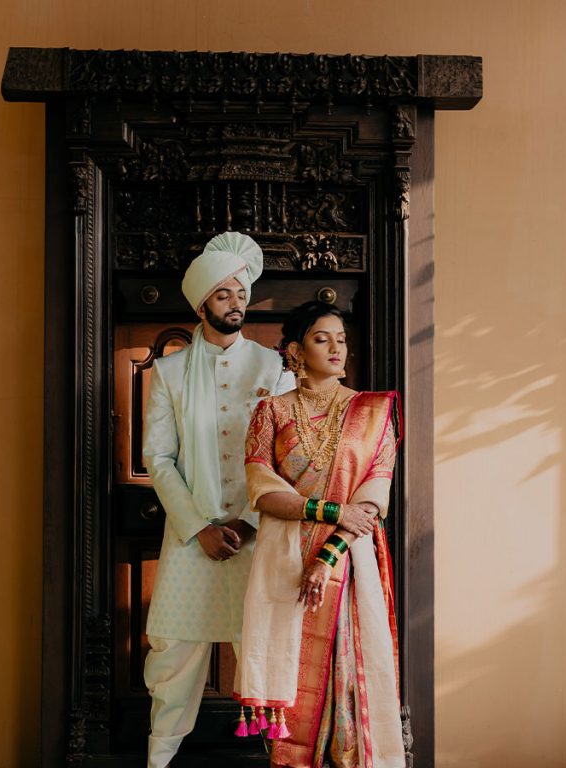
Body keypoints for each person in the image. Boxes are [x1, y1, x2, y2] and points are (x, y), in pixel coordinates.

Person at [142, 231, 295, 768]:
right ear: (202, 301)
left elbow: (286, 457)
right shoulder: (169, 372)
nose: (237, 303)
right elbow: (158, 458)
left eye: (242, 292)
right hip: (191, 536)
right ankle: (158, 760)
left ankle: (281, 758)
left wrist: (252, 519)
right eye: (225, 294)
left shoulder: (274, 370)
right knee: (173, 661)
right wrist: (199, 526)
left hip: (260, 534)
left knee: (265, 654)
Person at [237, 301, 405, 768]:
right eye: (321, 338)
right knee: (287, 680)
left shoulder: (373, 412)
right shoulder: (269, 413)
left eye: (341, 339)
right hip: (284, 560)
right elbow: (262, 491)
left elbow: (372, 500)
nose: (336, 347)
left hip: (347, 564)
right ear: (294, 350)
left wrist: (327, 557)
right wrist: (331, 509)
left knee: (349, 685)